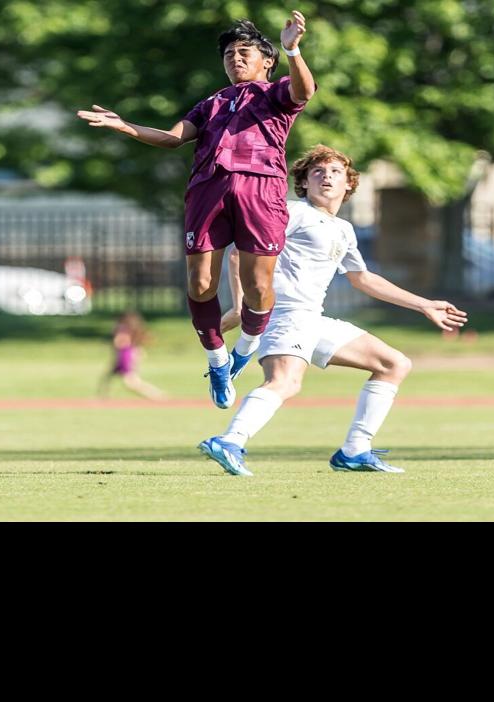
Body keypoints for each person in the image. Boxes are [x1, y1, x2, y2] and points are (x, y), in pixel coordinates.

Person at [77, 13, 313, 409]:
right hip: (208, 188)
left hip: (260, 188)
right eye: (229, 54)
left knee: (257, 287)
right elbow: (173, 138)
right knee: (200, 281)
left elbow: (304, 91)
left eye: (244, 52)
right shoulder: (211, 104)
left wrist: (292, 49)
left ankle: (246, 346)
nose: (235, 58)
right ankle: (218, 360)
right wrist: (125, 126)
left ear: (267, 61)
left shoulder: (277, 93)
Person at [197, 145, 468, 476]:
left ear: (349, 183)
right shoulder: (293, 212)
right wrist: (243, 305)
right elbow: (241, 252)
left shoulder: (343, 229)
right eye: (318, 172)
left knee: (393, 364)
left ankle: (354, 451)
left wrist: (424, 304)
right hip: (284, 315)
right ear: (304, 183)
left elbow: (362, 279)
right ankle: (230, 441)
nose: (327, 177)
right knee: (285, 382)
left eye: (335, 172)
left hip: (312, 318)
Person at [99, 311, 168, 401]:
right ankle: (103, 397)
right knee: (108, 377)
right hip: (123, 355)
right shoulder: (128, 329)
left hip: (124, 355)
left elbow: (120, 342)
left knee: (131, 382)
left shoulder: (122, 329)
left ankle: (156, 395)